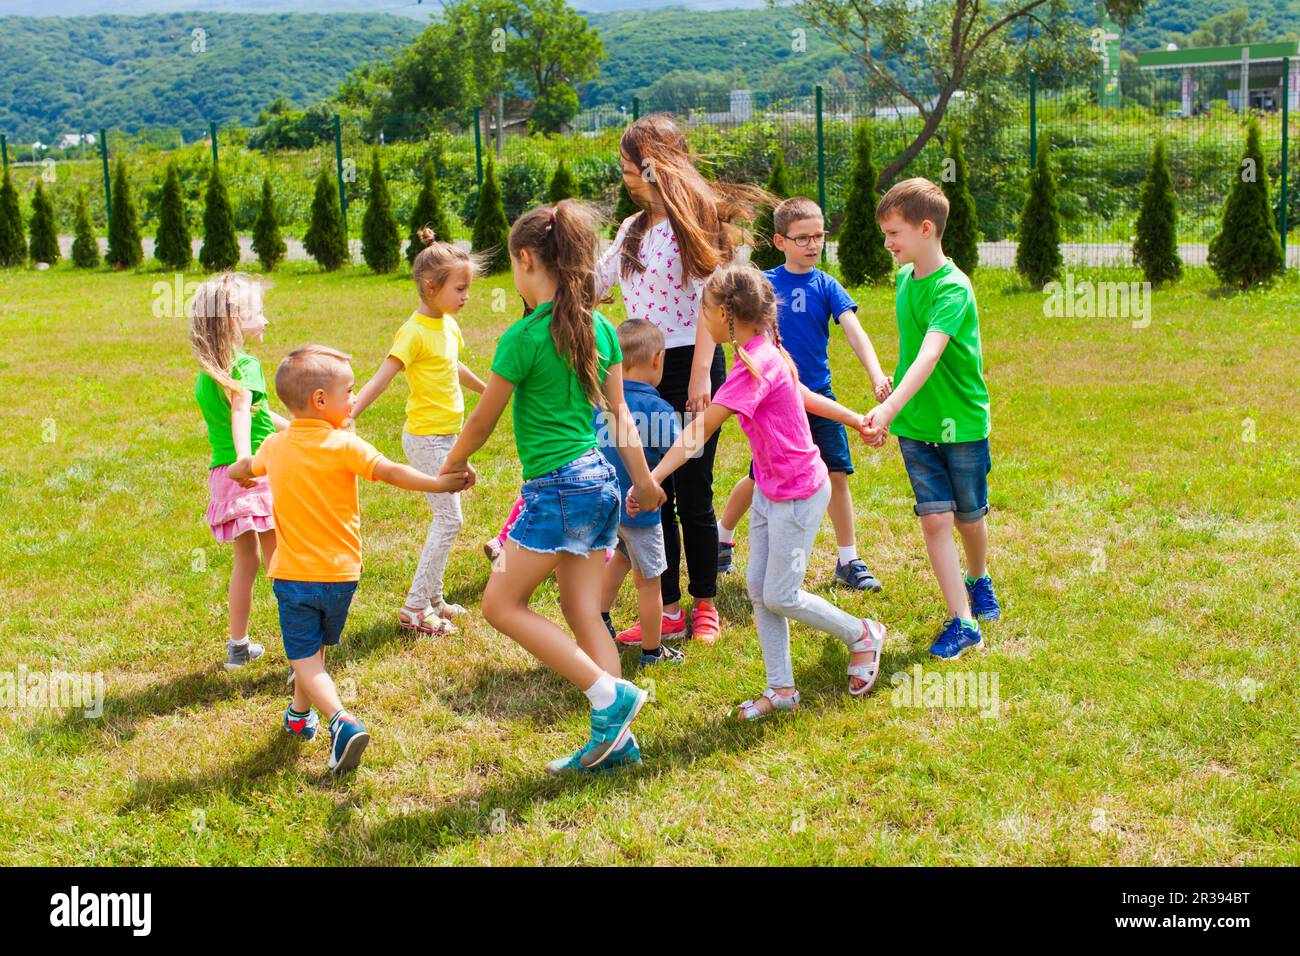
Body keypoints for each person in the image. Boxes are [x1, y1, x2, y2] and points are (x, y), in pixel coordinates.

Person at [438, 201, 665, 775]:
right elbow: (622, 420)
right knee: (581, 608)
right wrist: (643, 481)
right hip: (601, 481)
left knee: (499, 604)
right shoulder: (605, 329)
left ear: (526, 259)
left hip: (558, 490)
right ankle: (616, 741)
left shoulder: (522, 337)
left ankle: (609, 696)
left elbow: (484, 419)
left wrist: (452, 465)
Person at [631, 264, 887, 719]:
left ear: (726, 314)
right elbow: (802, 394)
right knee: (759, 588)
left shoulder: (755, 364)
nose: (701, 317)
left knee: (782, 594)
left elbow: (698, 433)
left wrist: (653, 478)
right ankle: (782, 690)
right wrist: (852, 417)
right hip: (772, 492)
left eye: (705, 308)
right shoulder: (764, 351)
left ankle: (862, 633)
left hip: (799, 494)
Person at [228, 345, 470, 773]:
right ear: (320, 400)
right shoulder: (346, 445)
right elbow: (392, 470)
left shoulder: (274, 446)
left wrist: (237, 472)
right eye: (349, 392)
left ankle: (341, 722)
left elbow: (247, 466)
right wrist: (435, 483)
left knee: (303, 656)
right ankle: (299, 717)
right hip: (342, 577)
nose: (354, 400)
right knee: (313, 651)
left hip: (295, 576)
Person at [596, 113, 770, 646]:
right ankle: (666, 606)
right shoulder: (632, 230)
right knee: (652, 491)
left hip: (691, 365)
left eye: (630, 166)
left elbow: (710, 303)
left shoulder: (696, 224)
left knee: (693, 488)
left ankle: (704, 603)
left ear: (654, 166)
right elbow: (596, 282)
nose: (625, 176)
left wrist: (699, 375)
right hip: (637, 373)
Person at [716, 196, 892, 592]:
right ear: (780, 241)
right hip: (777, 400)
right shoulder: (763, 285)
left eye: (819, 236)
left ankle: (848, 560)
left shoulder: (827, 284)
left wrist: (877, 373)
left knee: (837, 474)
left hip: (820, 395)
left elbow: (853, 329)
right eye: (802, 238)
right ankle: (722, 535)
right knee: (759, 477)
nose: (813, 245)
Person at [863, 178, 1001, 661]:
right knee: (935, 521)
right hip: (918, 427)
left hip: (961, 424)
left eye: (893, 233)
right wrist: (891, 388)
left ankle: (979, 575)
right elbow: (910, 355)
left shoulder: (953, 288)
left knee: (968, 517)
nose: (887, 243)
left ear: (926, 229)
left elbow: (931, 353)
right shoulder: (904, 280)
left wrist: (887, 408)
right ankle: (963, 622)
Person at [348, 227, 486, 636]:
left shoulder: (447, 326)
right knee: (449, 520)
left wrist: (487, 389)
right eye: (459, 288)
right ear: (431, 286)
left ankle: (435, 599)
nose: (466, 296)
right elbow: (383, 376)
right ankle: (413, 607)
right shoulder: (413, 332)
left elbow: (451, 368)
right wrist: (352, 410)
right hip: (426, 439)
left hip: (448, 437)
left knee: (448, 518)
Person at [190, 272, 289, 670]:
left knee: (245, 562)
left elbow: (258, 413)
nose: (265, 320)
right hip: (251, 474)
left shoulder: (209, 372)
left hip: (223, 475)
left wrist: (299, 427)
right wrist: (247, 460)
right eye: (259, 312)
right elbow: (240, 413)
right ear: (233, 319)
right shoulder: (245, 366)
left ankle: (238, 646)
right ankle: (299, 653)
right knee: (281, 563)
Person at [596, 319, 684, 666]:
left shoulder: (600, 405)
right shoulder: (656, 408)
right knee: (649, 582)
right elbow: (683, 447)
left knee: (619, 557)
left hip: (604, 507)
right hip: (641, 512)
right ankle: (652, 651)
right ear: (657, 360)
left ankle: (600, 618)